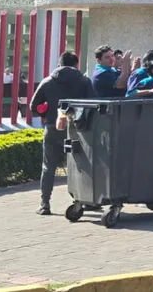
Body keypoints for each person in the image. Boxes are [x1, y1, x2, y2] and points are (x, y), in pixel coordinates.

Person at [31, 51, 94, 215]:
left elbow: (33, 106)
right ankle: (84, 200)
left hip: (53, 127)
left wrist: (47, 114)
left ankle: (45, 204)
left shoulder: (48, 81)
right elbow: (94, 104)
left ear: (59, 64)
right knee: (82, 165)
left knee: (48, 166)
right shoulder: (84, 81)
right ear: (76, 65)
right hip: (78, 129)